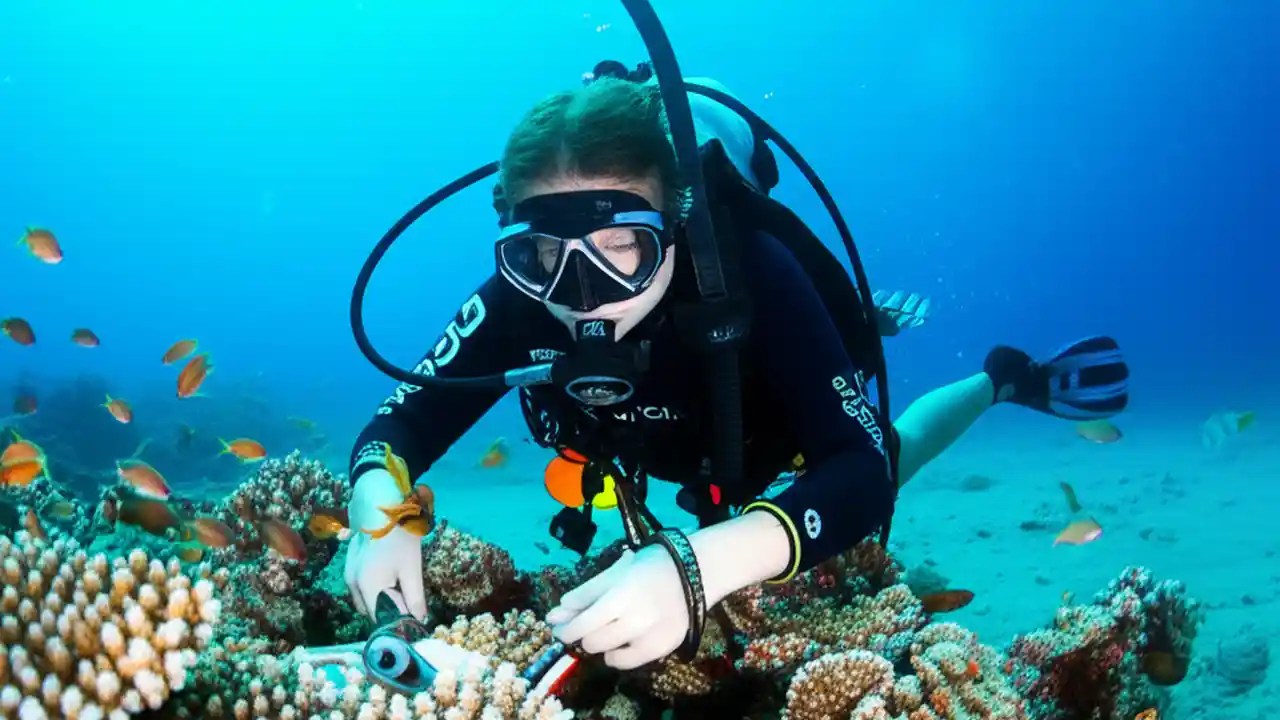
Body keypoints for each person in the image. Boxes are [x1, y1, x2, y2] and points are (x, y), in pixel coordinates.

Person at [343, 65, 1129, 672]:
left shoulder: (753, 271)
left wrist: (702, 563)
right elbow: (403, 418)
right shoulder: (518, 301)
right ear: (514, 250)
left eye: (624, 251)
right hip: (666, 450)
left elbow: (860, 473)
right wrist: (377, 504)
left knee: (899, 450)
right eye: (540, 257)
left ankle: (1002, 379)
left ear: (677, 227)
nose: (583, 300)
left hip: (773, 434)